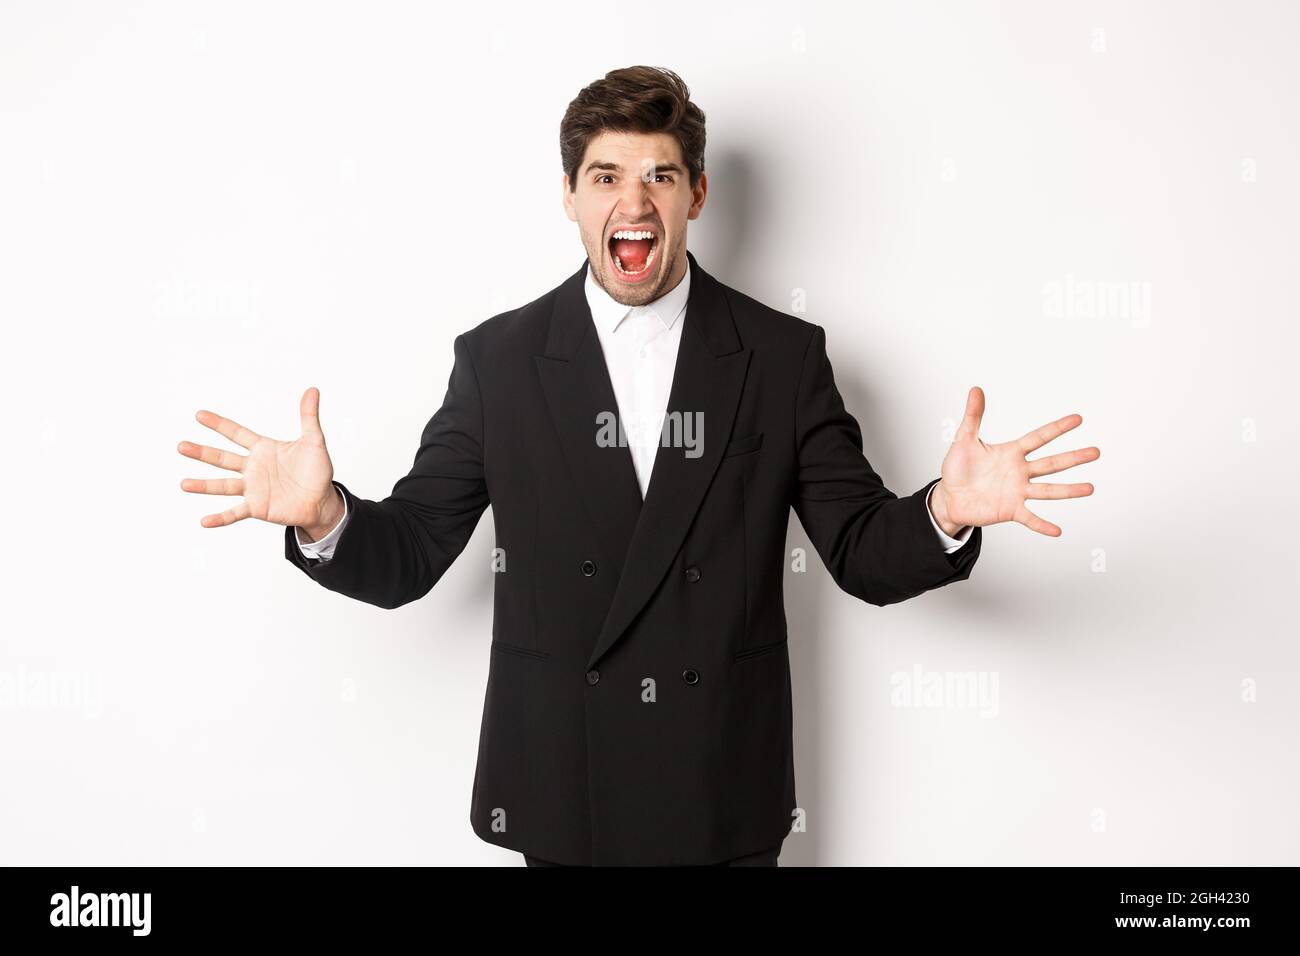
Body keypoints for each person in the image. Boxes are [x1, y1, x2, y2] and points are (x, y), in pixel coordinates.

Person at [177, 66, 1099, 867]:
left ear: (696, 195)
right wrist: (324, 516)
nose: (634, 201)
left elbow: (861, 549)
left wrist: (947, 509)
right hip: (561, 796)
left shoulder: (781, 359)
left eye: (660, 176)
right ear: (570, 196)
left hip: (721, 797)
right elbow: (414, 550)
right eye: (607, 175)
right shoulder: (497, 363)